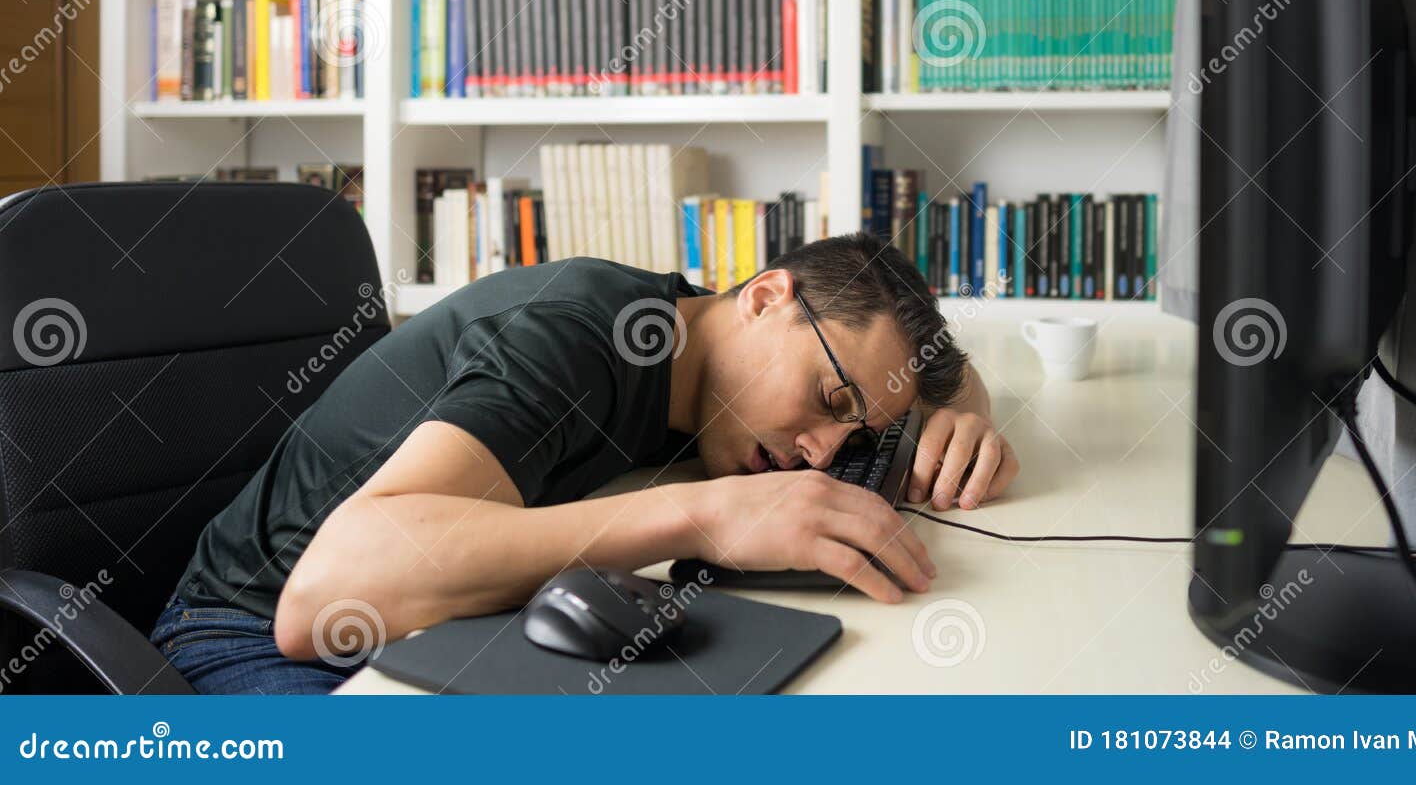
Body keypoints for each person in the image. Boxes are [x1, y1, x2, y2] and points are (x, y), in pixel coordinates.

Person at [151, 233, 1018, 693]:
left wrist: (957, 410)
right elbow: (318, 602)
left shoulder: (702, 352)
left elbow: (918, 367)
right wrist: (707, 513)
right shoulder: (576, 338)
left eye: (857, 437)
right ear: (763, 298)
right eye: (831, 404)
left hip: (437, 618)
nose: (827, 455)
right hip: (244, 631)